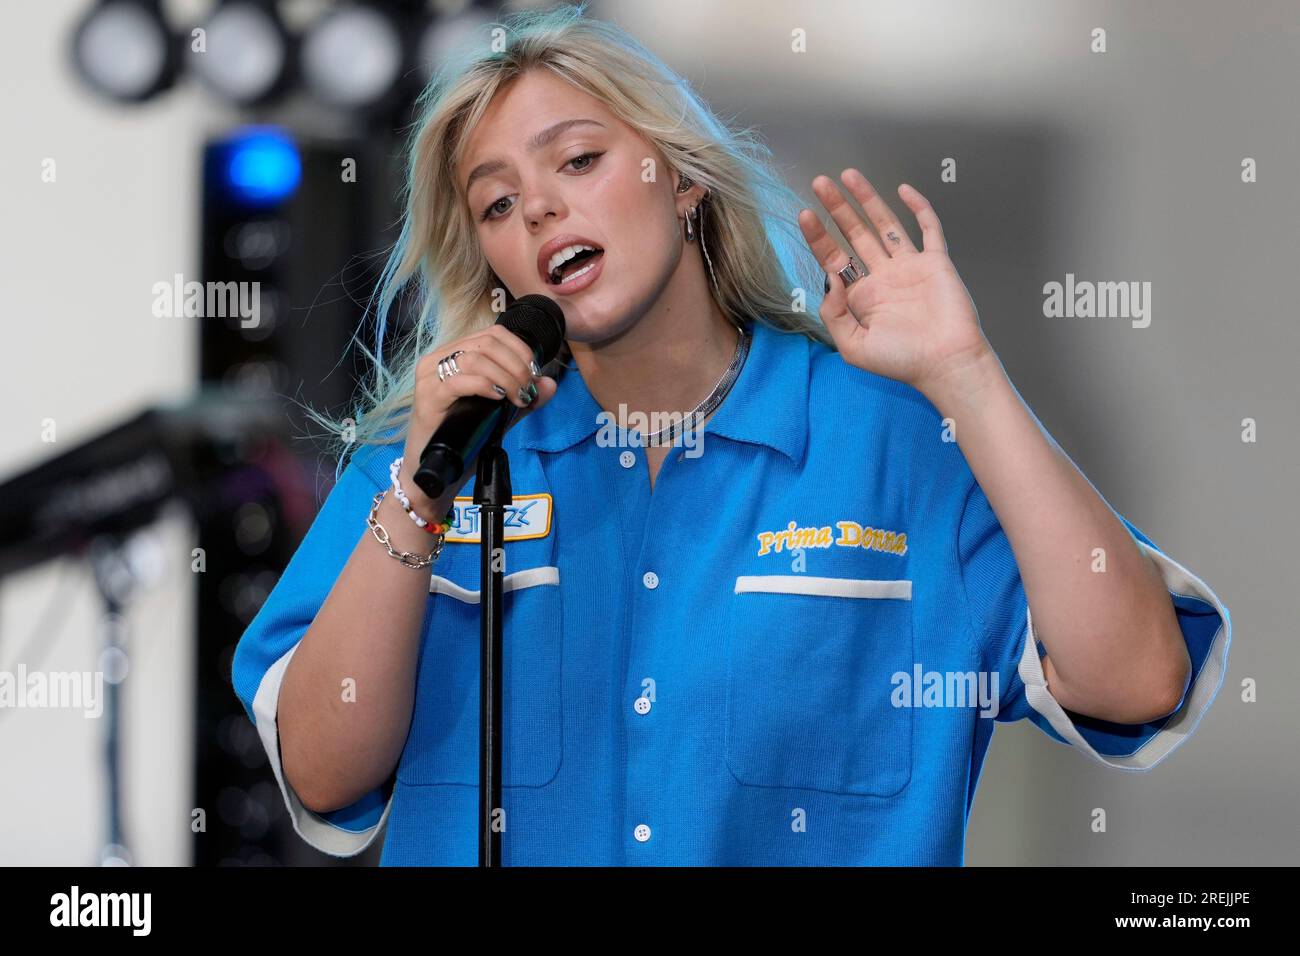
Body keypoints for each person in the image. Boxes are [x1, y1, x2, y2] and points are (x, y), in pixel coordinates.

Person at [231, 4, 1231, 865]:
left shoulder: (889, 435)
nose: (538, 204)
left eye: (577, 159)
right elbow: (323, 775)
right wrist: (418, 490)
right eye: (496, 202)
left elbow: (1139, 680)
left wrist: (965, 378)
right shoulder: (431, 457)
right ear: (491, 261)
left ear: (682, 179)